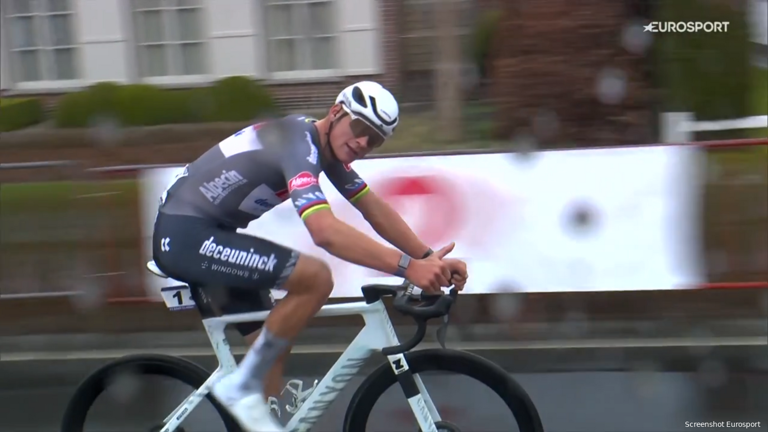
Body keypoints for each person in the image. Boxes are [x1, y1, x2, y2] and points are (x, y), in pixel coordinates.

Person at [151, 81, 469, 431]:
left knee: (275, 348)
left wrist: (427, 258)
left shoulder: (324, 148)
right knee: (315, 278)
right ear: (335, 113)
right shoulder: (299, 143)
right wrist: (409, 268)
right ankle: (240, 388)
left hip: (211, 233)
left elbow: (372, 208)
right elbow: (324, 232)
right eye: (360, 128)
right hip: (185, 235)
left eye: (375, 139)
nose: (364, 142)